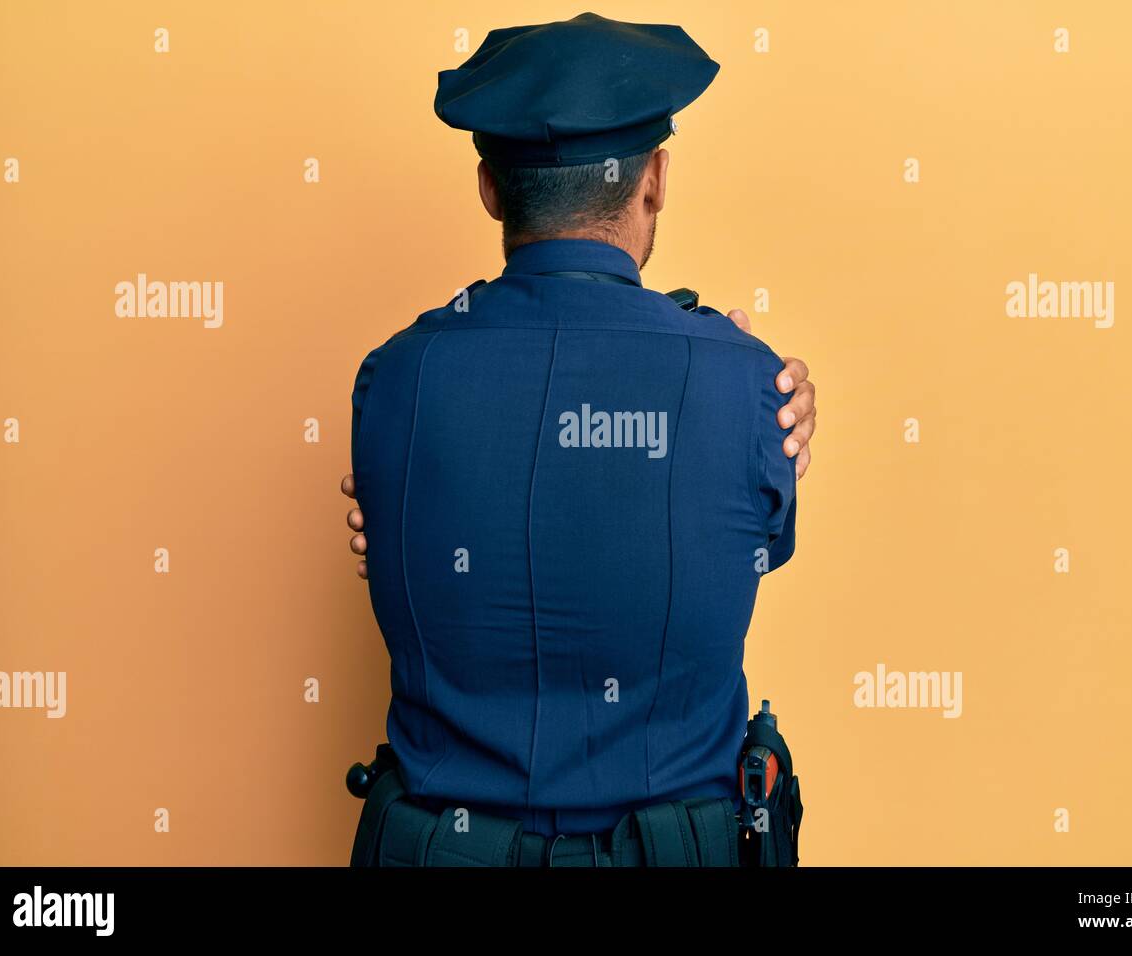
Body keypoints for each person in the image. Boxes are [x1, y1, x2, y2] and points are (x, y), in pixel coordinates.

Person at [342, 12, 818, 867]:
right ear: (655, 181)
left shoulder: (392, 380)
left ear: (489, 187)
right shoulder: (752, 385)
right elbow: (747, 551)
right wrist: (730, 385)